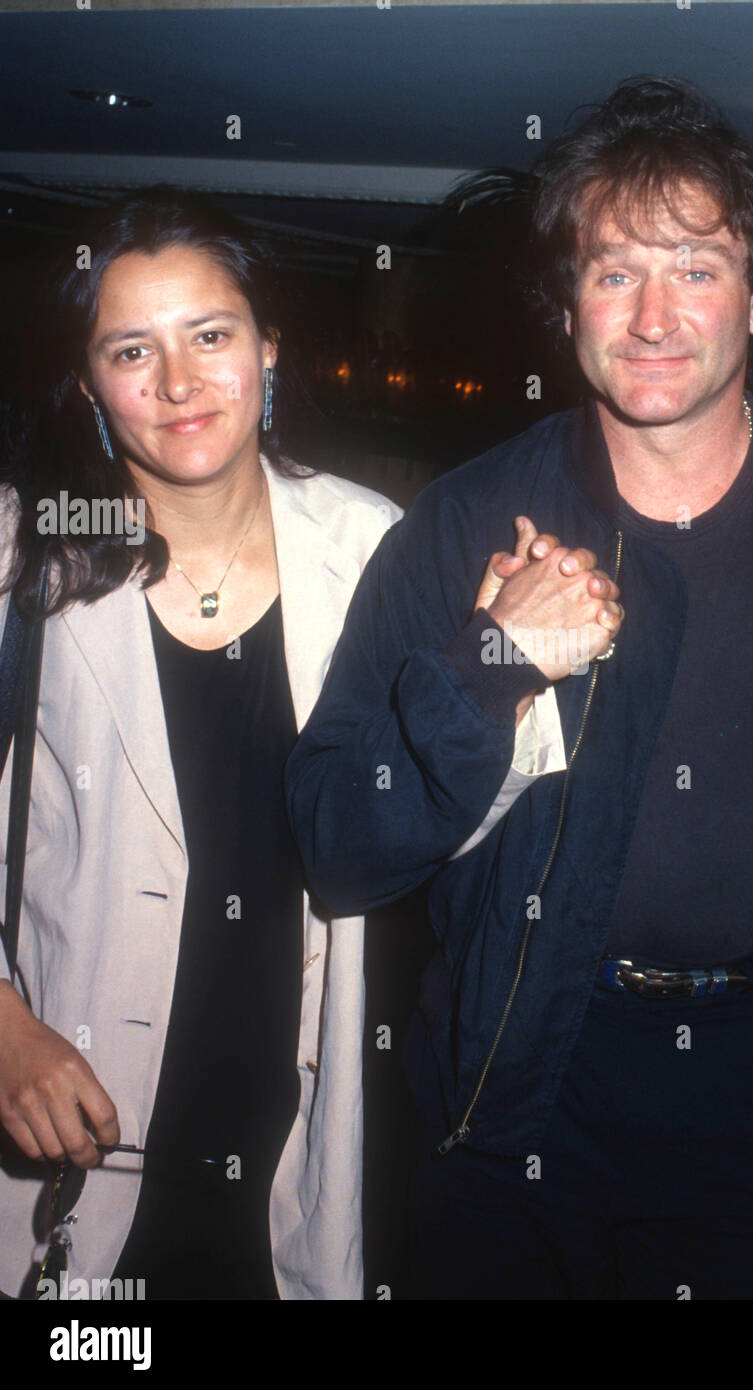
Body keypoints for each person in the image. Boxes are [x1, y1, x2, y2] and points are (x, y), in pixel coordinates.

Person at [285, 78, 753, 1299]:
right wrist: (496, 659)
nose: (653, 312)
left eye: (696, 266)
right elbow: (342, 846)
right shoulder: (462, 525)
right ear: (568, 300)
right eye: (613, 270)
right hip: (530, 1075)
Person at [0, 188, 408, 1300]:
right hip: (76, 1118)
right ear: (88, 385)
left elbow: (451, 810)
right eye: (133, 350)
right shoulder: (19, 560)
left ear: (268, 350)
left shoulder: (377, 548)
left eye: (211, 335)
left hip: (296, 1128)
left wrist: (516, 669)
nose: (179, 384)